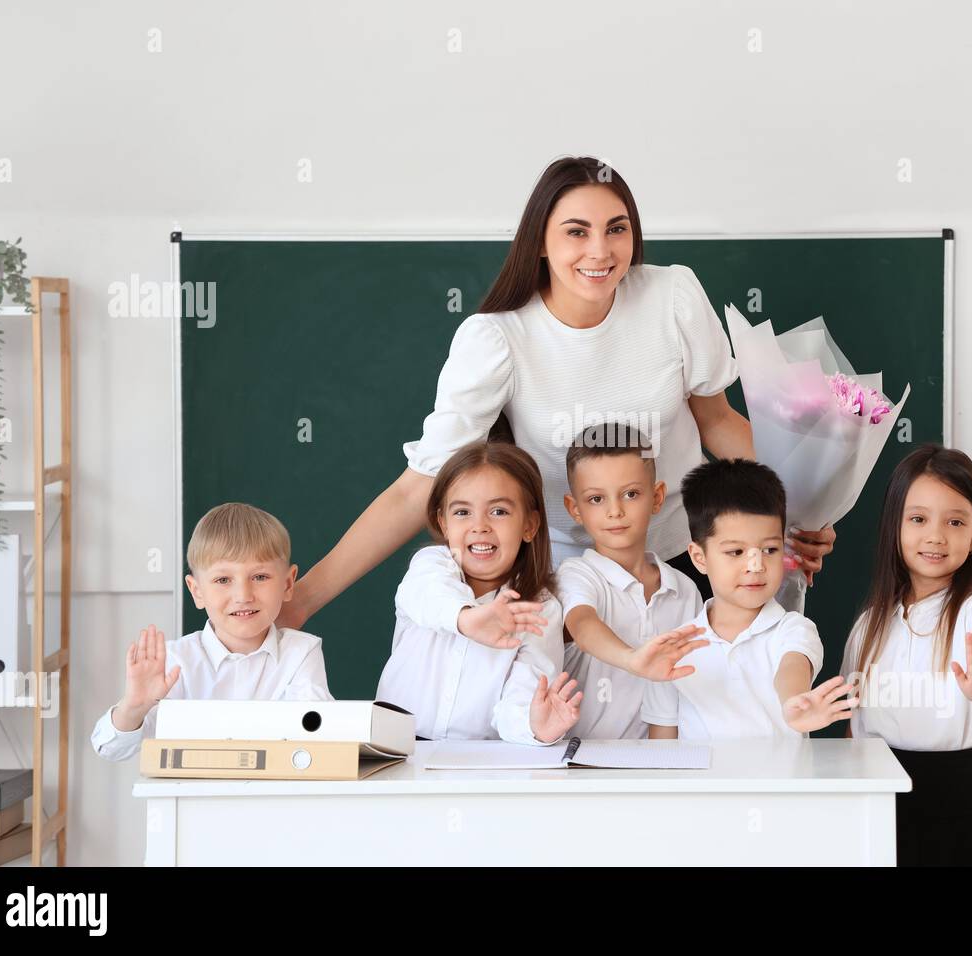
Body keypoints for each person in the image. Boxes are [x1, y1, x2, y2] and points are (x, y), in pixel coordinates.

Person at [276, 155, 834, 634]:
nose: (600, 250)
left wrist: (808, 505)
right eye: (576, 231)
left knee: (681, 733)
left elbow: (719, 424)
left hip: (682, 563)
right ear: (539, 242)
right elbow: (414, 490)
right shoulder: (497, 339)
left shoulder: (673, 296)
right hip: (568, 582)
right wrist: (302, 601)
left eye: (617, 228)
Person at [841, 444, 972, 866]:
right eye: (918, 519)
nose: (936, 536)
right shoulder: (869, 625)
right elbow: (854, 724)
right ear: (895, 526)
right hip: (879, 788)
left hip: (960, 795)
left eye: (955, 522)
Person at [375, 440, 581, 745]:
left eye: (498, 511)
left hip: (477, 762)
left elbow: (520, 700)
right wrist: (468, 620)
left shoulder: (539, 609)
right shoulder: (430, 567)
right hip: (394, 749)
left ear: (529, 525)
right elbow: (429, 597)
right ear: (443, 523)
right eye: (462, 512)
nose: (479, 526)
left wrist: (534, 725)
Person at [90, 503, 331, 761]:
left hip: (274, 799)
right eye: (223, 580)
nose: (243, 596)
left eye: (260, 577)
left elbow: (319, 739)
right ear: (197, 591)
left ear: (287, 583)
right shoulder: (175, 662)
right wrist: (135, 706)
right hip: (191, 800)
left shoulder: (301, 653)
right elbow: (109, 750)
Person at [642, 459, 854, 741]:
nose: (756, 565)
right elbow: (663, 745)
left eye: (769, 549)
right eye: (736, 552)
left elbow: (792, 668)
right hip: (701, 786)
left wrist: (795, 703)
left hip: (778, 785)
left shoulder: (793, 629)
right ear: (699, 557)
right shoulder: (675, 647)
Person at [557, 424, 709, 739]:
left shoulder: (685, 590)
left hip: (660, 765)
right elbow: (582, 625)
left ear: (656, 498)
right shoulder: (577, 574)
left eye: (630, 494)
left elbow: (690, 685)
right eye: (596, 499)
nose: (615, 511)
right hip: (581, 765)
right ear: (575, 509)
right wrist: (632, 660)